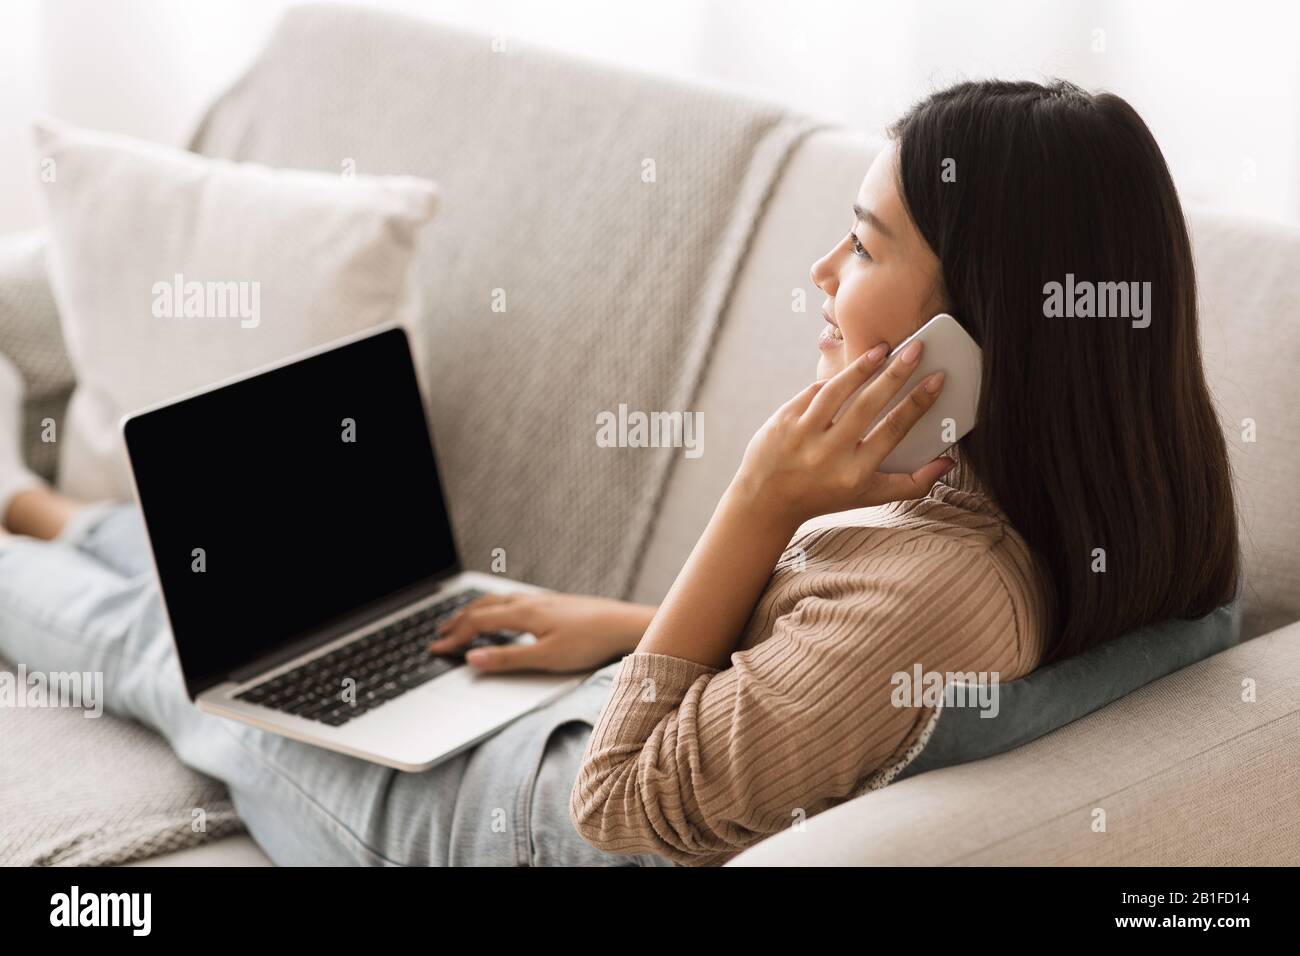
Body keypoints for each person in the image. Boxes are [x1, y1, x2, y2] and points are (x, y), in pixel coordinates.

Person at [0, 79, 1238, 866]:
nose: (819, 275)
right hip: (555, 719)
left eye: (860, 245)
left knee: (177, 649)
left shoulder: (937, 581)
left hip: (491, 816)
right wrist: (618, 623)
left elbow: (623, 811)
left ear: (982, 330)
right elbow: (842, 683)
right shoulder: (1067, 510)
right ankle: (53, 509)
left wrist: (757, 500)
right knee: (311, 588)